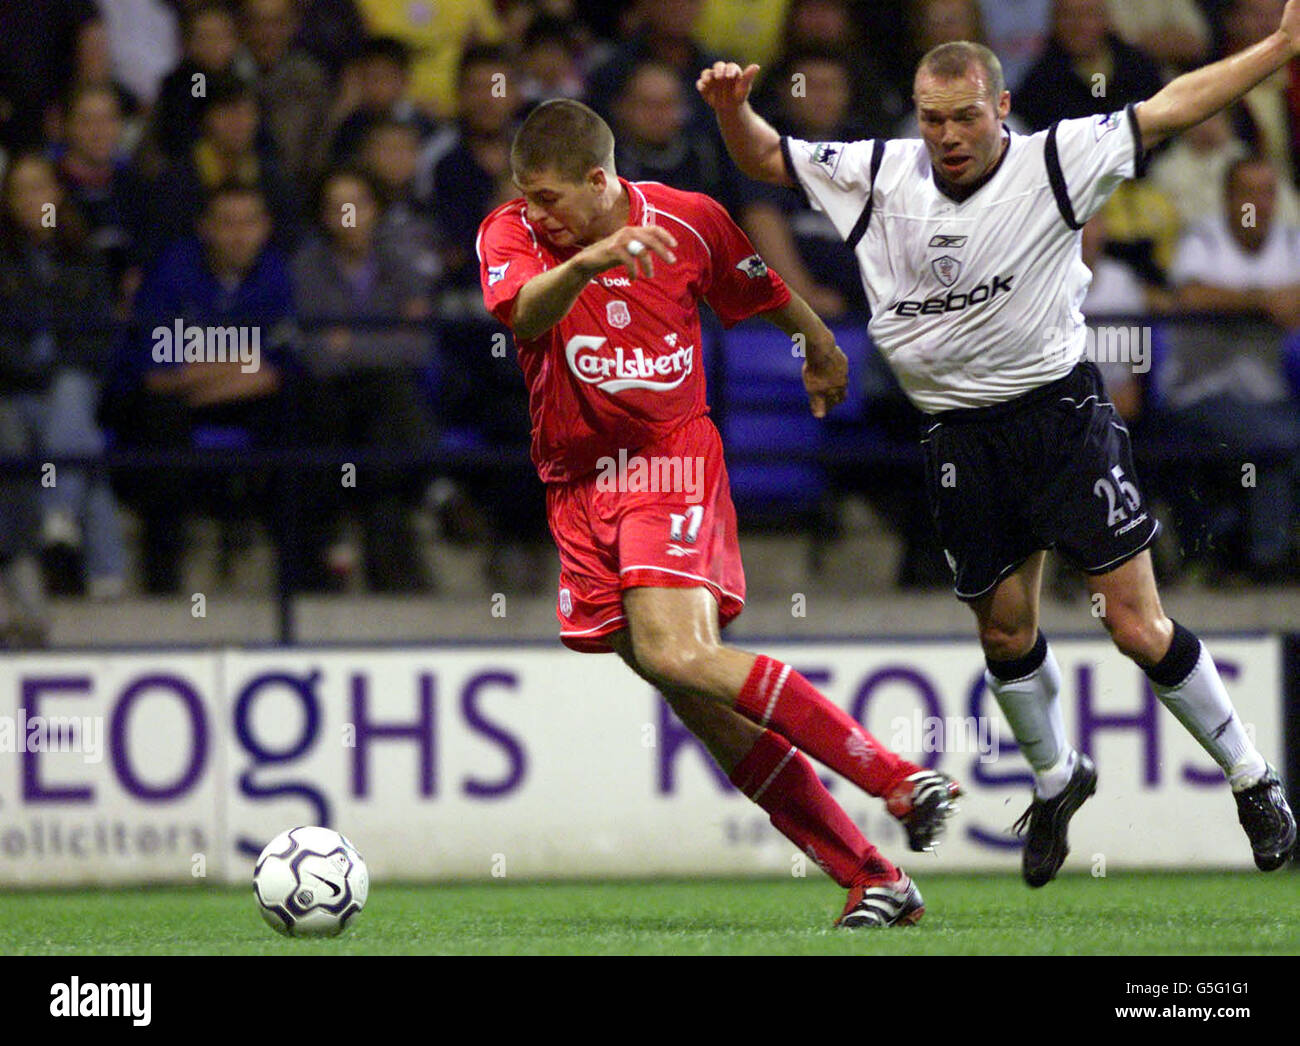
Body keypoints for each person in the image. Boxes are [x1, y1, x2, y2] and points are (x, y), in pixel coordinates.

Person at [699, 3, 1300, 884]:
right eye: (933, 117)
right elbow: (762, 156)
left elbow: (1173, 105)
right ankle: (1058, 778)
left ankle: (1254, 778)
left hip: (1059, 418)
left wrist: (1278, 49)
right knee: (1004, 630)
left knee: (1135, 625)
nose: (948, 135)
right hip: (955, 436)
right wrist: (728, 107)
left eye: (966, 116)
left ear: (1002, 107)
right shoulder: (879, 170)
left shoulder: (1059, 157)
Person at [477, 99, 961, 928]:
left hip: (669, 461)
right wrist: (593, 258)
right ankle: (872, 876)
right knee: (693, 694)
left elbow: (761, 288)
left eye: (551, 197)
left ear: (600, 180)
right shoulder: (511, 234)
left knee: (680, 650)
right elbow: (525, 313)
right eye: (526, 194)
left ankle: (897, 778)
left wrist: (822, 345)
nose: (535, 211)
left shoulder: (688, 220)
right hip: (577, 486)